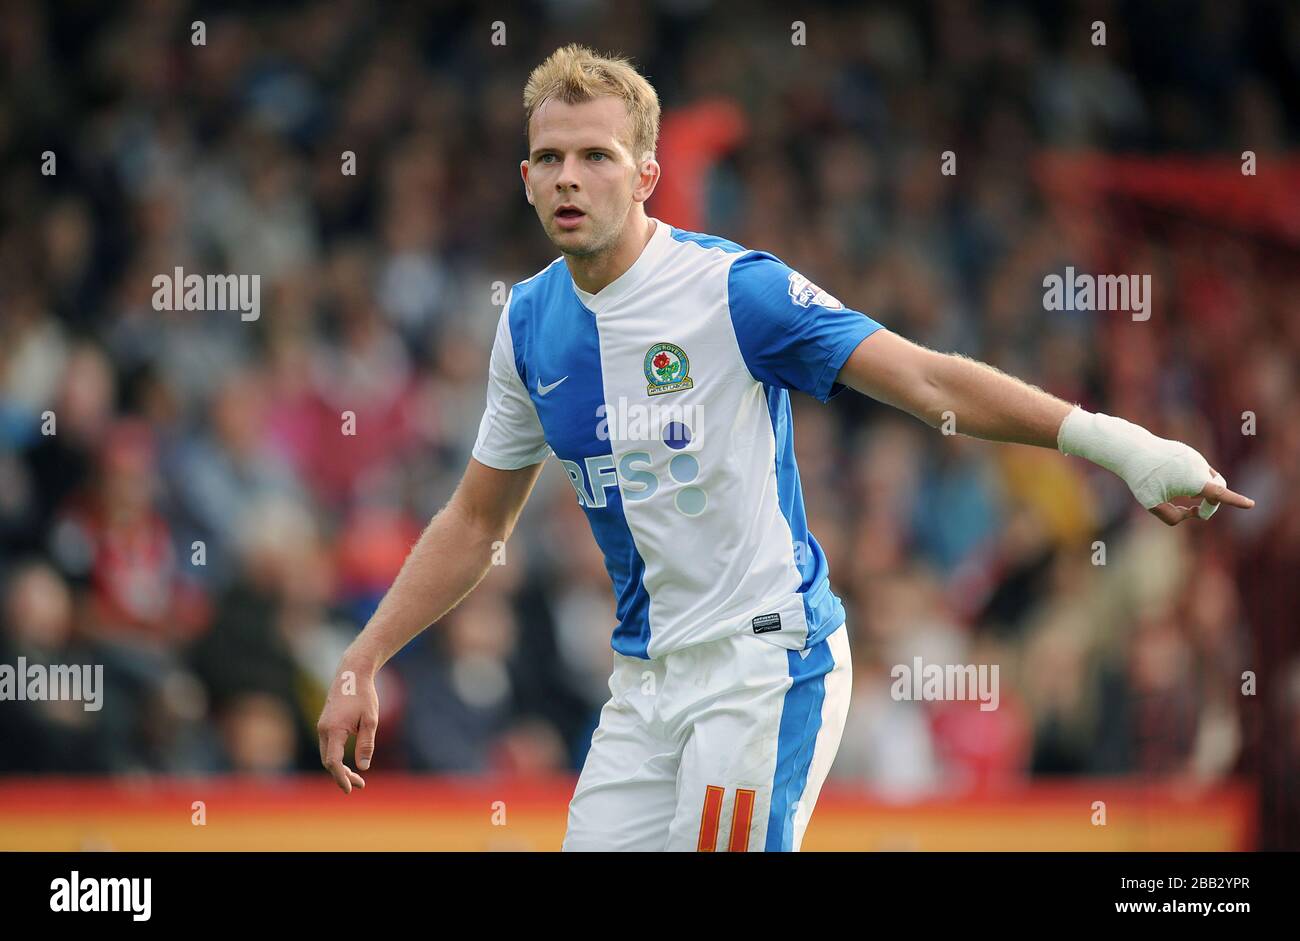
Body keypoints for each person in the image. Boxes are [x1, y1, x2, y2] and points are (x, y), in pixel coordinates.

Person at [316, 43, 1253, 851]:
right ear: (524, 178)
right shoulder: (526, 324)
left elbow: (927, 382)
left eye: (595, 155)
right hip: (644, 683)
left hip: (765, 665)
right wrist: (366, 655)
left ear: (645, 173)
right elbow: (479, 518)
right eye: (549, 158)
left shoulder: (736, 292)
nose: (568, 176)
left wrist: (1118, 442)